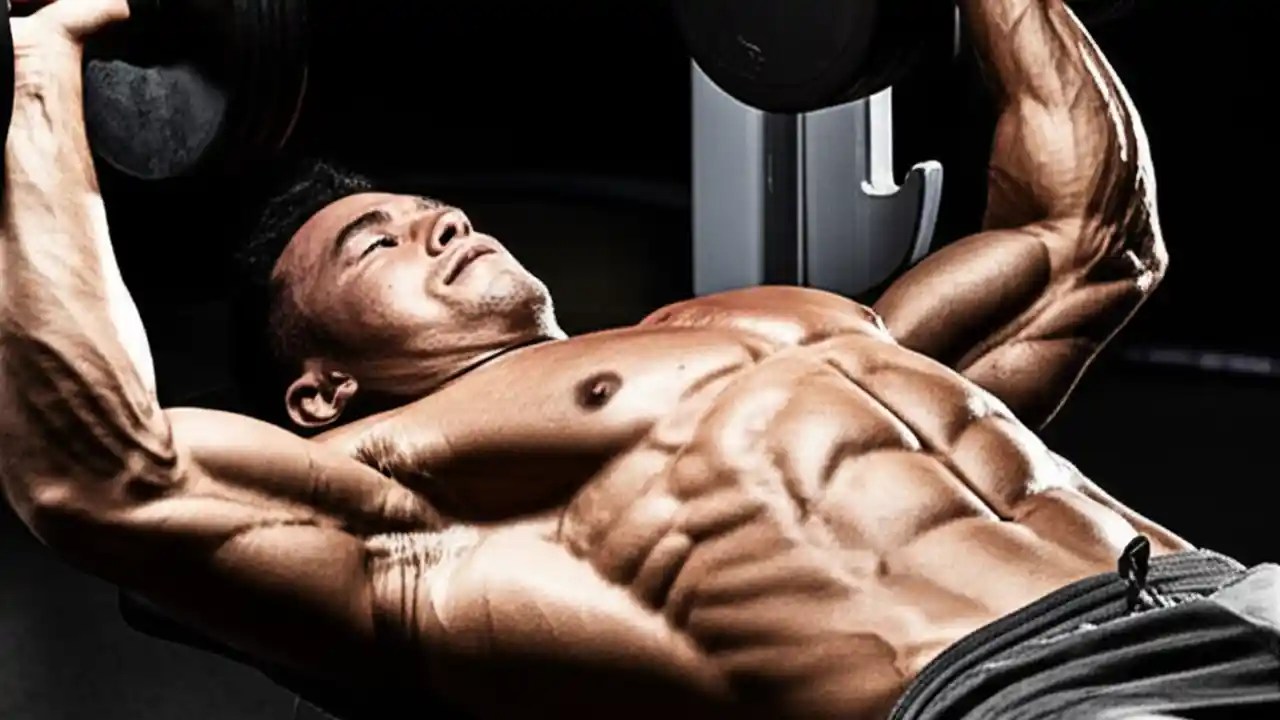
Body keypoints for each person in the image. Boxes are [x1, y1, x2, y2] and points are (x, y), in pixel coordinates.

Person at [4, 0, 1278, 719]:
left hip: (1225, 600)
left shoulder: (794, 328)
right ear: (319, 387)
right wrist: (43, 64)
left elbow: (1086, 237)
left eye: (428, 205)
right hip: (1038, 699)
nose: (440, 220)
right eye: (371, 243)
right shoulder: (410, 507)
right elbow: (103, 473)